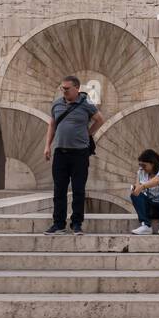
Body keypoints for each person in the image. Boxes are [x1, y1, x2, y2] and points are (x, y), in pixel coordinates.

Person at [43, 75, 104, 235]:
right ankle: (58, 224)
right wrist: (47, 146)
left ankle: (77, 224)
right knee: (59, 190)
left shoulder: (86, 104)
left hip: (79, 154)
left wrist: (88, 134)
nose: (64, 91)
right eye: (62, 88)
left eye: (67, 88)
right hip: (60, 153)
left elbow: (99, 119)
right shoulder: (57, 103)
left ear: (77, 89)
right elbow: (52, 124)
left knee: (78, 190)